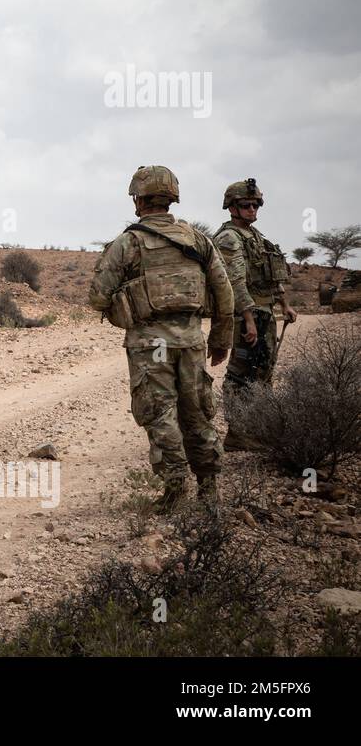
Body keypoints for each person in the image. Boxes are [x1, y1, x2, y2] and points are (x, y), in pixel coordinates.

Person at [88, 165, 234, 510]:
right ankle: (209, 489)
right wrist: (220, 339)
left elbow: (98, 296)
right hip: (192, 340)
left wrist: (123, 303)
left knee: (161, 413)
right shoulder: (198, 240)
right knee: (197, 412)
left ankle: (175, 487)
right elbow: (224, 291)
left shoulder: (128, 242)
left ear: (138, 199)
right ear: (172, 199)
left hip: (149, 345)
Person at [213, 178, 296, 450]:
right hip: (245, 316)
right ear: (232, 207)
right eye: (246, 205)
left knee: (262, 372)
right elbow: (235, 282)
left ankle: (257, 428)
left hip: (263, 312)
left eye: (255, 205)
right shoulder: (228, 237)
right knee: (239, 374)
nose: (252, 210)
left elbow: (271, 273)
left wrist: (284, 304)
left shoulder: (256, 236)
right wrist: (248, 319)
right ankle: (237, 434)